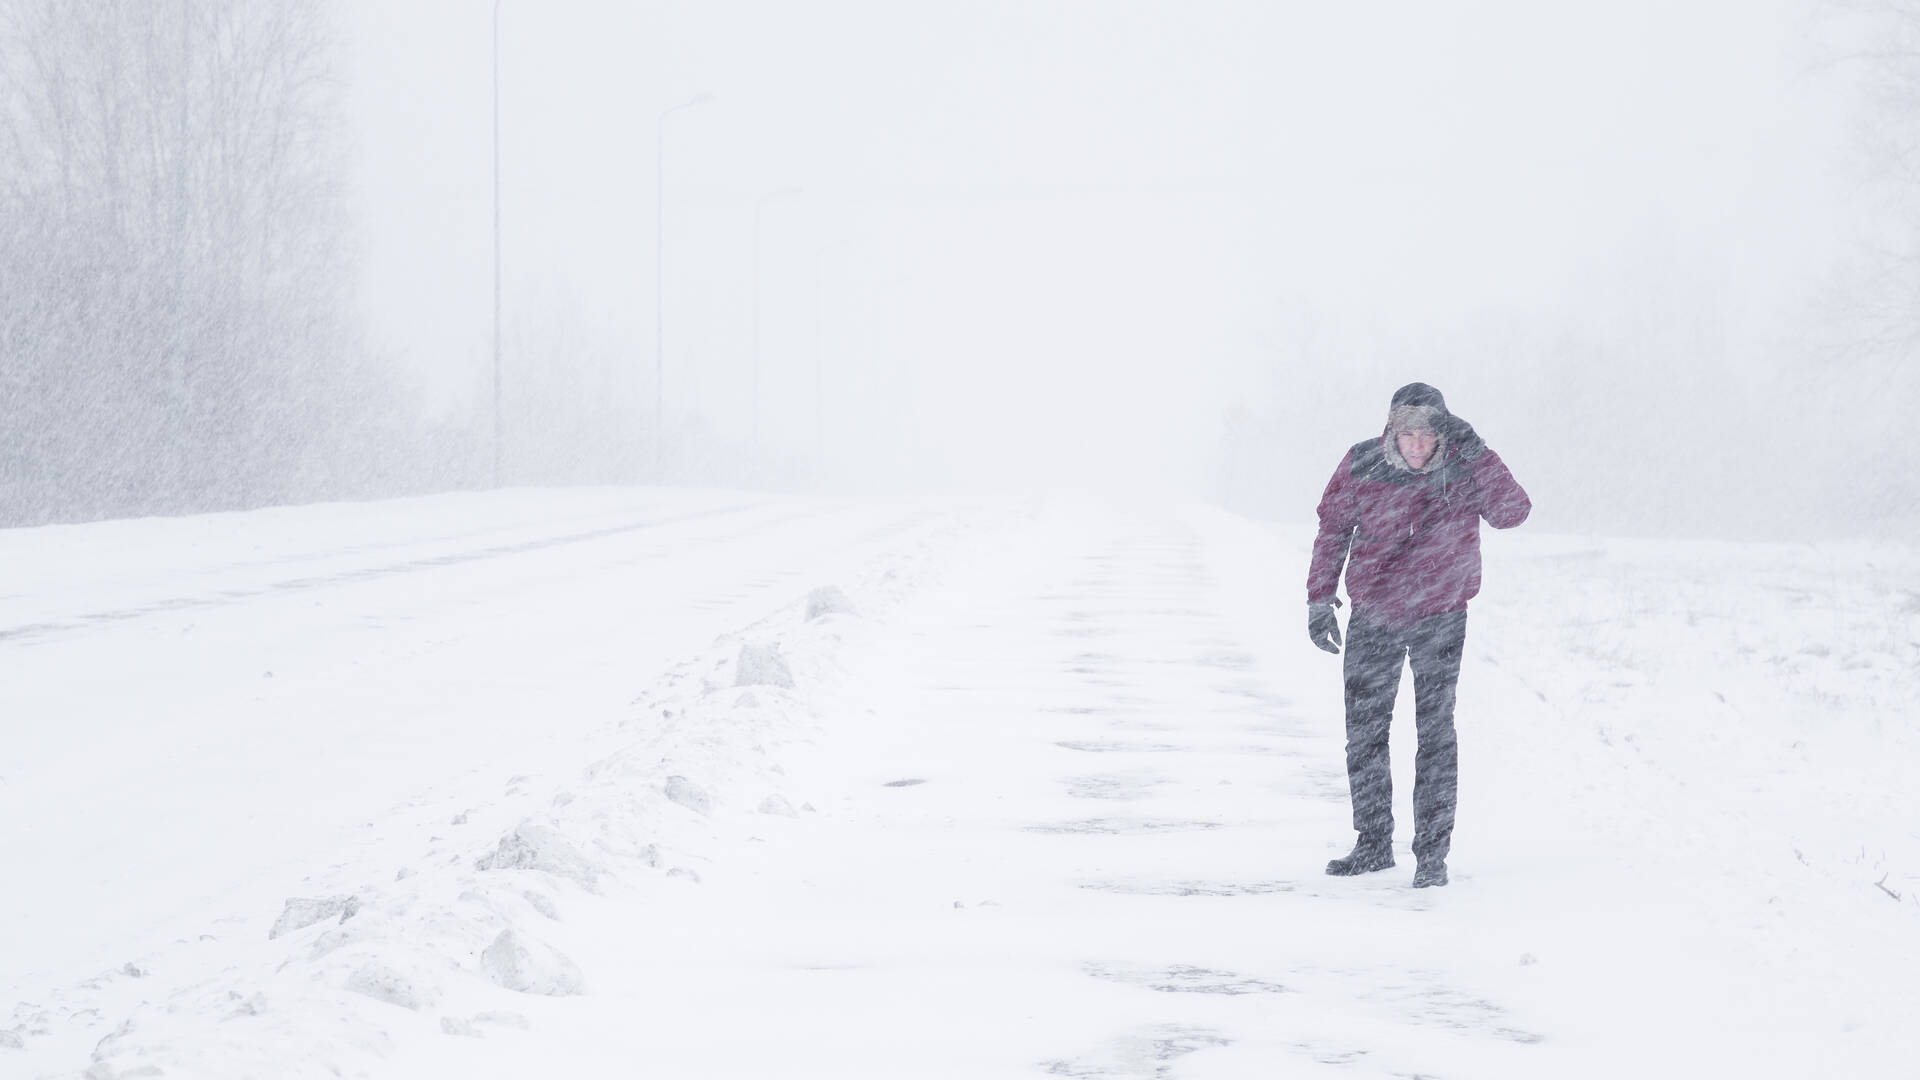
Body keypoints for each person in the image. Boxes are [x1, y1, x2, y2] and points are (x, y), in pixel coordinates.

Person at [1306, 382, 1531, 888]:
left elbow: (1513, 512)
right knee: (1364, 735)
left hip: (1441, 614)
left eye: (1425, 434)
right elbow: (1333, 529)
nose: (1415, 445)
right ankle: (1372, 845)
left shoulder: (1465, 466)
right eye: (1405, 433)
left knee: (1434, 735)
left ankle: (1432, 855)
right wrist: (1319, 599)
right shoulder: (1363, 463)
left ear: (1442, 433)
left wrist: (1481, 453)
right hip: (1375, 614)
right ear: (1391, 430)